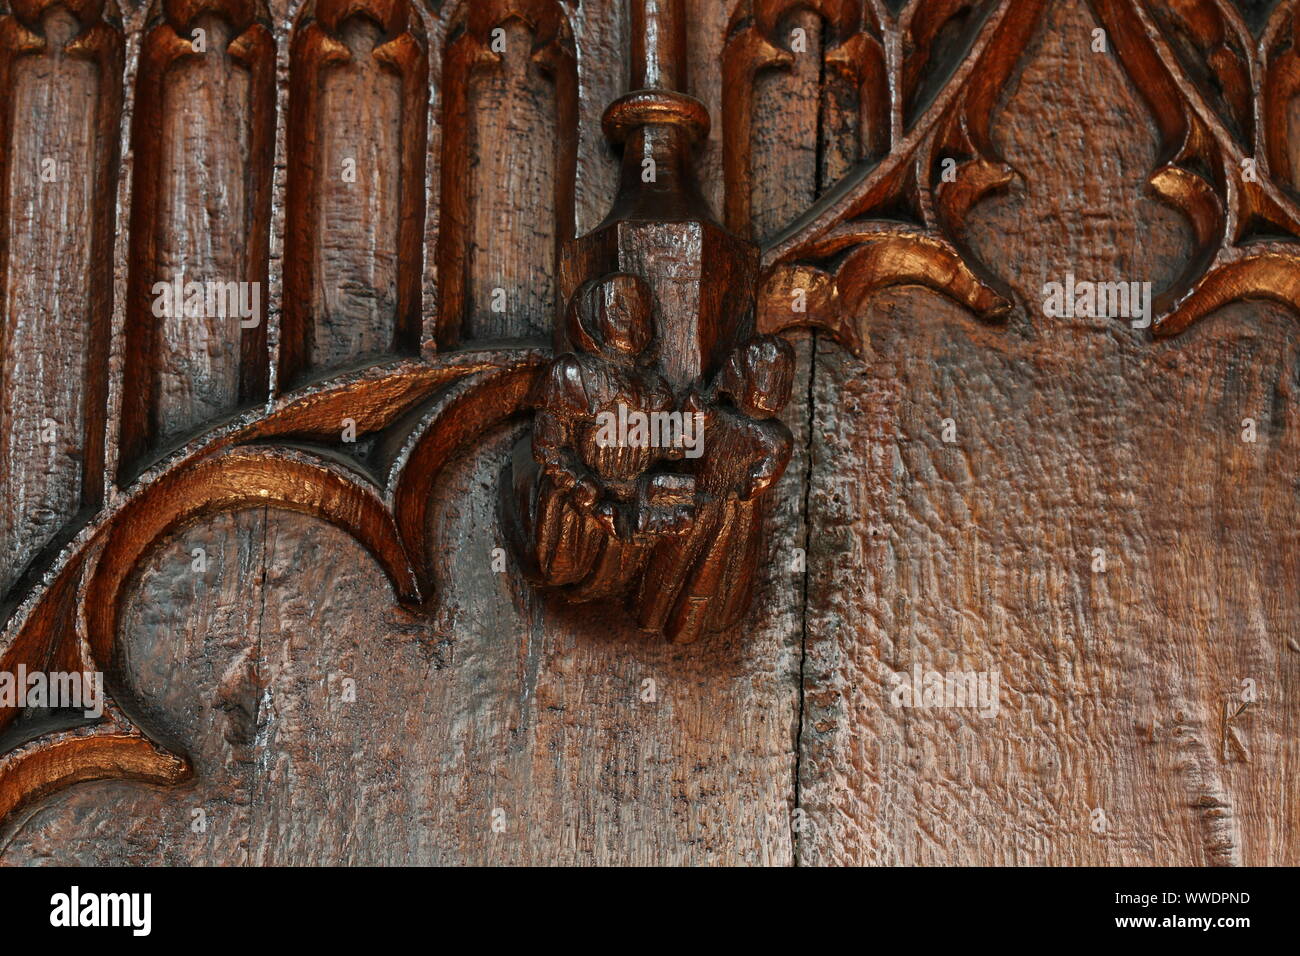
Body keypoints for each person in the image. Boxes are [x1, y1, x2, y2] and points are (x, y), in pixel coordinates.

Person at [632, 335, 795, 642]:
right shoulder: (725, 420)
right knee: (674, 567)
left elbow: (752, 486)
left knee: (705, 576)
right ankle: (656, 618)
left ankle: (680, 626)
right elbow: (676, 450)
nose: (762, 387)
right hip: (704, 505)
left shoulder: (772, 438)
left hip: (726, 517)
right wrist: (695, 412)